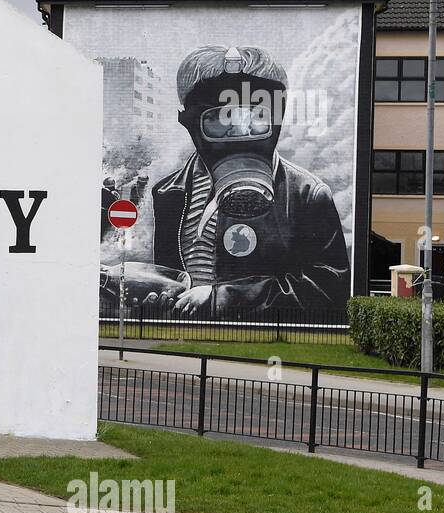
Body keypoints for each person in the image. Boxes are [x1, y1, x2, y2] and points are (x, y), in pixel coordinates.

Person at [144, 44, 349, 318]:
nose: (240, 131)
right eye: (219, 117)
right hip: (183, 339)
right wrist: (158, 294)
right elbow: (170, 277)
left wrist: (224, 298)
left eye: (256, 116)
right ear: (189, 123)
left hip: (256, 339)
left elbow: (329, 287)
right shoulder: (169, 193)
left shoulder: (307, 196)